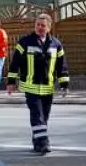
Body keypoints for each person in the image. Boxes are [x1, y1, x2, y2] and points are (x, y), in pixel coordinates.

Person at [7, 12, 69, 154]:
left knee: (44, 117)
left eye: (43, 25)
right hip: (31, 87)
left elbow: (62, 66)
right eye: (37, 25)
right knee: (37, 116)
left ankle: (37, 143)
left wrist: (64, 84)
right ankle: (44, 142)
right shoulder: (25, 42)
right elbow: (15, 63)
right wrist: (11, 82)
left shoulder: (56, 44)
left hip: (48, 88)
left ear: (49, 27)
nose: (39, 28)